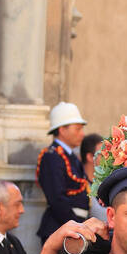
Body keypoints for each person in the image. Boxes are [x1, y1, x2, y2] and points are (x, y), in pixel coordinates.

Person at [36, 102, 90, 242]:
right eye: (77, 129)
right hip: (61, 227)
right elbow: (56, 198)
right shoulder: (52, 156)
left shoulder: (69, 156)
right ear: (62, 130)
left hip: (74, 226)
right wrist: (78, 226)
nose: (82, 134)